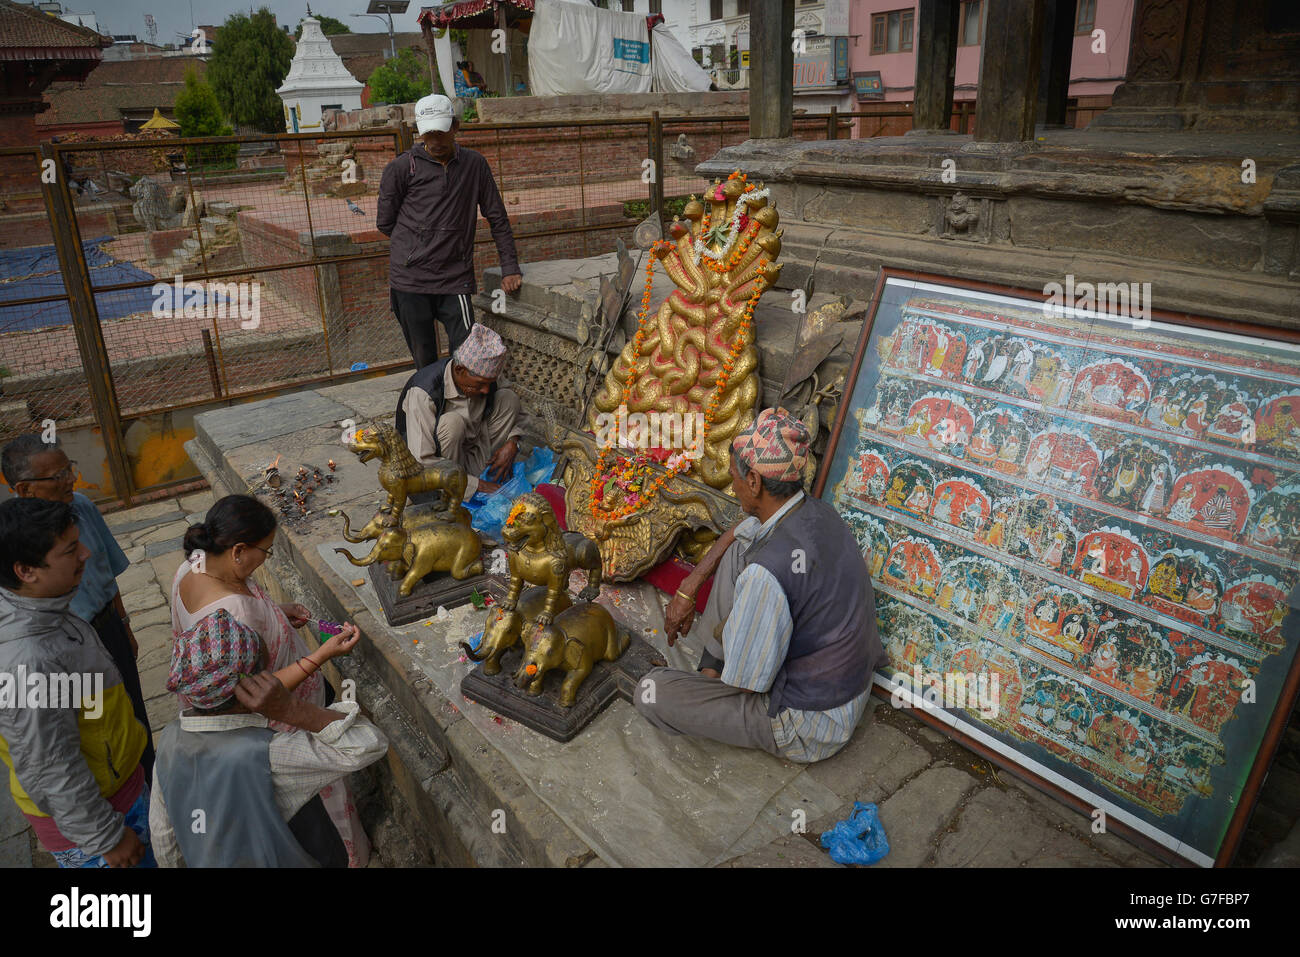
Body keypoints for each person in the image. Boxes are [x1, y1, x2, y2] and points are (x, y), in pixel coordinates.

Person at [635, 408, 887, 763]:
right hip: (848, 686)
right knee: (739, 549)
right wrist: (689, 585)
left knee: (651, 691)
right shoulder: (817, 513)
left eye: (736, 477)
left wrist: (731, 628)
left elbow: (749, 682)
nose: (733, 485)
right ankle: (713, 672)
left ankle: (713, 679)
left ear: (753, 481)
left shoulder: (766, 575)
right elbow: (740, 534)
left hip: (810, 723)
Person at [172, 494, 373, 866]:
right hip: (279, 718)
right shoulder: (235, 611)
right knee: (311, 803)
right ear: (238, 550)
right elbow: (257, 691)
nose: (267, 559)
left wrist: (276, 614)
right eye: (266, 552)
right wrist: (322, 655)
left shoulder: (193, 567)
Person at [149, 612, 387, 867]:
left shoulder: (169, 741)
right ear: (256, 686)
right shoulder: (267, 755)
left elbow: (165, 841)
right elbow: (368, 743)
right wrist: (290, 709)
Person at [0, 497, 152, 867]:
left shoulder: (46, 607)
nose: (85, 553)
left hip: (119, 789)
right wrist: (107, 837)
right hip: (100, 825)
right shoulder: (28, 660)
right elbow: (48, 764)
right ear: (26, 571)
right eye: (70, 550)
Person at [2, 434, 154, 782]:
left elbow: (107, 573)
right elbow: (46, 763)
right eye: (58, 476)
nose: (71, 478)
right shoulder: (16, 542)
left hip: (105, 629)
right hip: (68, 646)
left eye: (68, 468)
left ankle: (148, 781)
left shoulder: (82, 506)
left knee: (130, 712)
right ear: (24, 489)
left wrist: (124, 625)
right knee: (90, 727)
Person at [378, 93, 522, 369]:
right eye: (428, 133)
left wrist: (510, 267)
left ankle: (467, 409)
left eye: (441, 132)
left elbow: (497, 218)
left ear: (455, 127)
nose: (435, 141)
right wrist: (419, 242)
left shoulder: (474, 165)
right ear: (419, 132)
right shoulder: (400, 169)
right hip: (410, 281)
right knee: (425, 362)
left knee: (468, 359)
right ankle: (432, 408)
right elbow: (385, 223)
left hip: (454, 278)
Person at [395, 322, 522, 497]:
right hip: (438, 470)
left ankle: (487, 477)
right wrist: (477, 485)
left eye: (489, 383)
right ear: (460, 370)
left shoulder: (484, 377)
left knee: (509, 399)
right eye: (480, 384)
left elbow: (518, 416)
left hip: (476, 451)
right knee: (452, 423)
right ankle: (457, 491)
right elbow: (421, 461)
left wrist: (513, 442)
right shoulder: (423, 392)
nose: (485, 390)